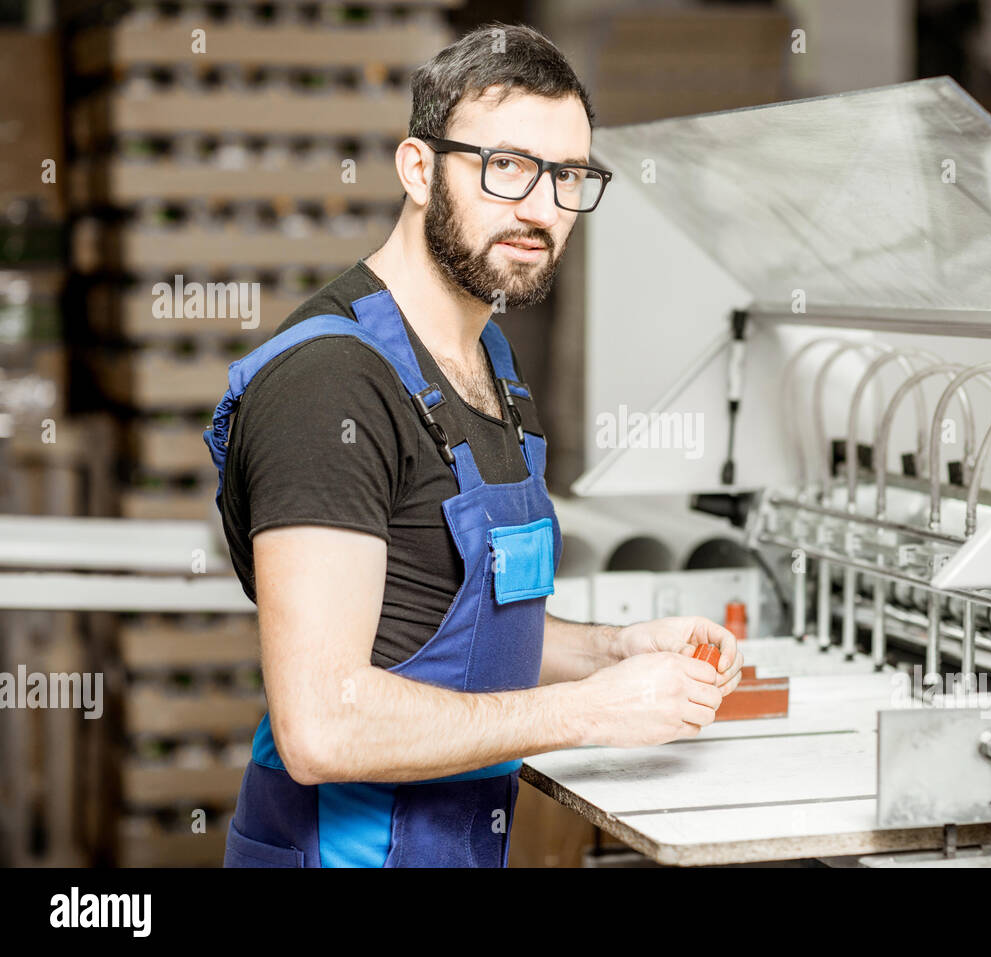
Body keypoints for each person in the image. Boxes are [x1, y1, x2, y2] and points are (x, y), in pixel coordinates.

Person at [204, 23, 743, 868]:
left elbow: (452, 621)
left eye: (568, 177)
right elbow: (323, 722)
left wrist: (613, 649)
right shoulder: (329, 387)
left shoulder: (487, 358)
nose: (540, 208)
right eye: (507, 167)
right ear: (418, 169)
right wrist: (591, 711)